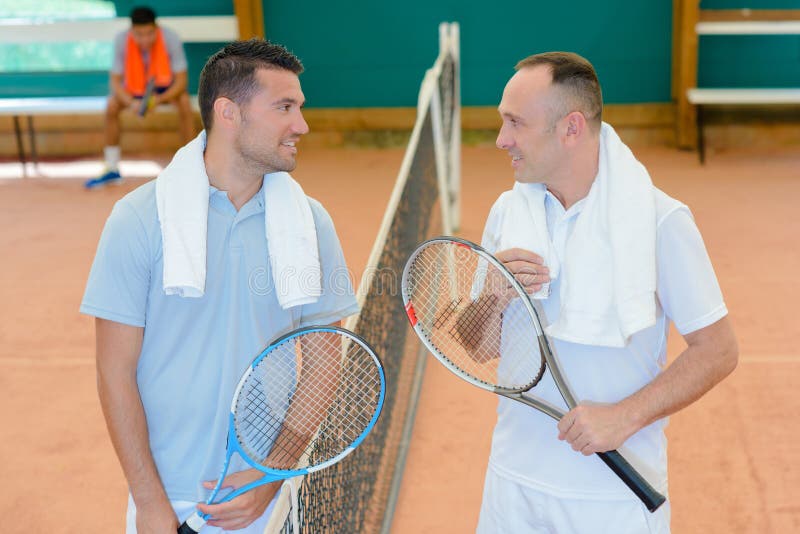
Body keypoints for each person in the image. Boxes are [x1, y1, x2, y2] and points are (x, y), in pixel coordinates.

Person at [80, 39, 359, 533]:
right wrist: (149, 501)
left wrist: (272, 475)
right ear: (228, 112)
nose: (302, 125)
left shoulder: (311, 223)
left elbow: (322, 360)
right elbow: (114, 372)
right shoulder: (138, 220)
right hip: (166, 499)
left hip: (265, 496)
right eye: (284, 107)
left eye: (299, 107)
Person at [474, 52, 738, 533]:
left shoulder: (662, 221)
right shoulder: (505, 213)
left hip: (614, 501)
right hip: (511, 491)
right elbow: (475, 346)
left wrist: (624, 417)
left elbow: (718, 350)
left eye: (515, 123)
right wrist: (492, 295)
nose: (501, 139)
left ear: (571, 128)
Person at [85, 6, 194, 188]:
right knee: (112, 104)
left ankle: (192, 166)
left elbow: (181, 81)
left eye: (149, 33)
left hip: (162, 91)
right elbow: (115, 82)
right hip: (134, 93)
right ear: (131, 31)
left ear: (156, 28)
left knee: (184, 101)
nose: (145, 39)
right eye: (139, 34)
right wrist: (131, 102)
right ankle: (112, 169)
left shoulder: (171, 37)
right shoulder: (121, 39)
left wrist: (158, 99)